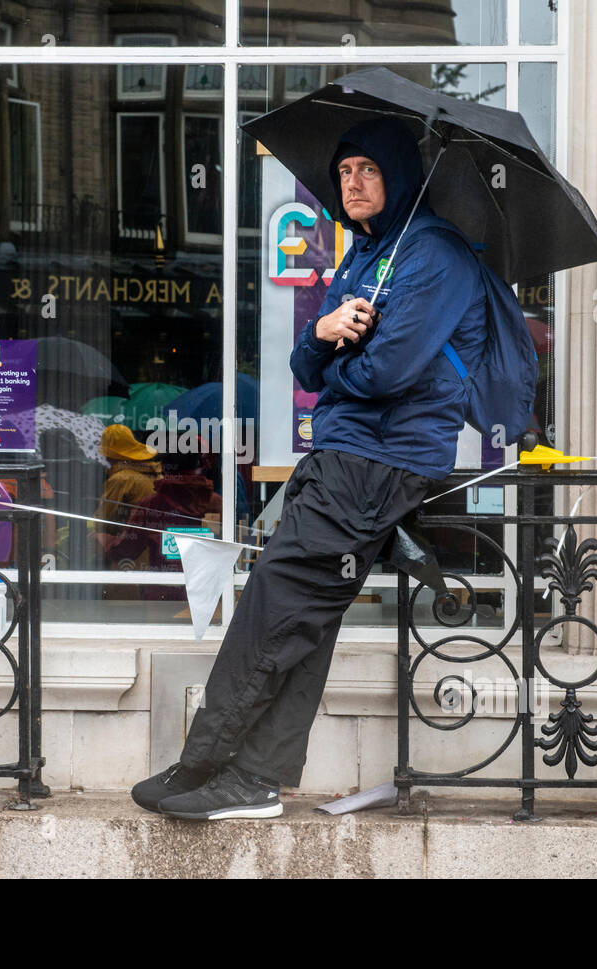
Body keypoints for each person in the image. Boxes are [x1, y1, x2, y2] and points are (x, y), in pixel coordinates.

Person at [131, 117, 488, 819]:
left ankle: (206, 757)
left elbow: (384, 373)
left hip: (377, 461)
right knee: (309, 615)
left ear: (400, 178)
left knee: (275, 595)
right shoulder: (364, 257)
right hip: (342, 456)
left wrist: (338, 361)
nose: (353, 182)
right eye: (345, 172)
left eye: (369, 170)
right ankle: (256, 779)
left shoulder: (434, 256)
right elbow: (304, 365)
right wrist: (324, 333)